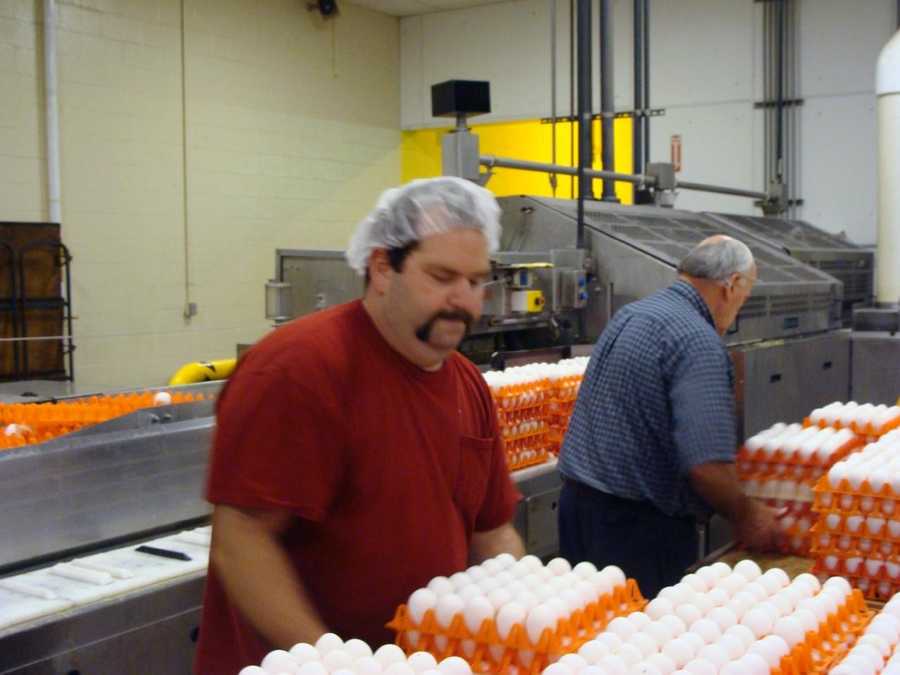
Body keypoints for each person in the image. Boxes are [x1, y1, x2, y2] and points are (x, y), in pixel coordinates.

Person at [194, 177, 525, 675]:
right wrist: (336, 662)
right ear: (381, 269)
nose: (465, 301)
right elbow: (242, 542)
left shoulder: (466, 383)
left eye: (476, 281)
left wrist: (520, 622)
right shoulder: (298, 370)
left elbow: (493, 532)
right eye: (441, 276)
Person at [557, 235, 780, 598]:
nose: (740, 306)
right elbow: (706, 467)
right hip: (634, 533)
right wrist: (748, 514)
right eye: (745, 295)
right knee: (640, 643)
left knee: (587, 636)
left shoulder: (633, 314)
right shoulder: (697, 340)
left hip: (577, 512)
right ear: (732, 285)